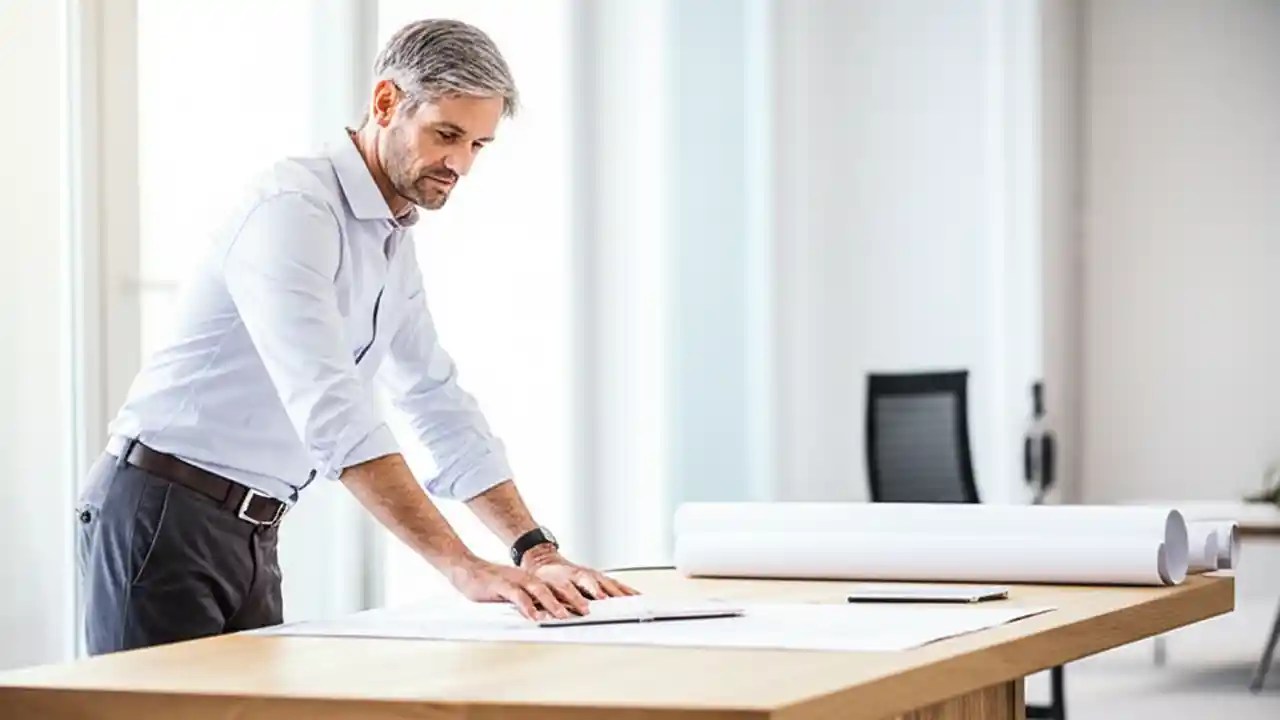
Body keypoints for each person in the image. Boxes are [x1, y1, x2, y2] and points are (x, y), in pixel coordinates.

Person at [76, 18, 636, 656]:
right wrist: (461, 565)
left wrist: (534, 550)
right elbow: (334, 413)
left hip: (254, 528)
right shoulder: (294, 210)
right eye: (446, 135)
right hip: (161, 513)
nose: (460, 164)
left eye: (478, 144)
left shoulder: (390, 234)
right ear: (386, 103)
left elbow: (434, 399)